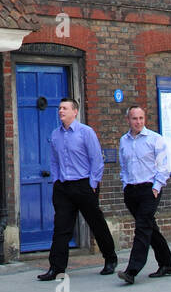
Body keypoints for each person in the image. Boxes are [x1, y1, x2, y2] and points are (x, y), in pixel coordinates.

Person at [37, 97, 119, 281]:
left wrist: (92, 184)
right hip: (63, 188)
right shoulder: (55, 135)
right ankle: (56, 268)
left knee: (96, 223)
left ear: (75, 111)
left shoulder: (86, 132)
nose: (61, 111)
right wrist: (57, 180)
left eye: (65, 108)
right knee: (61, 228)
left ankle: (110, 258)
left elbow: (97, 160)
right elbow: (54, 161)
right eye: (59, 108)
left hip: (84, 185)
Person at [116, 105, 171, 285]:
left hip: (150, 189)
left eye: (141, 118)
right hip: (132, 191)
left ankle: (132, 270)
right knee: (149, 226)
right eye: (135, 119)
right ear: (128, 120)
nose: (138, 122)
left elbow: (164, 167)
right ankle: (167, 264)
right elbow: (124, 166)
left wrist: (156, 187)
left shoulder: (155, 139)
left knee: (142, 228)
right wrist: (125, 185)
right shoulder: (124, 141)